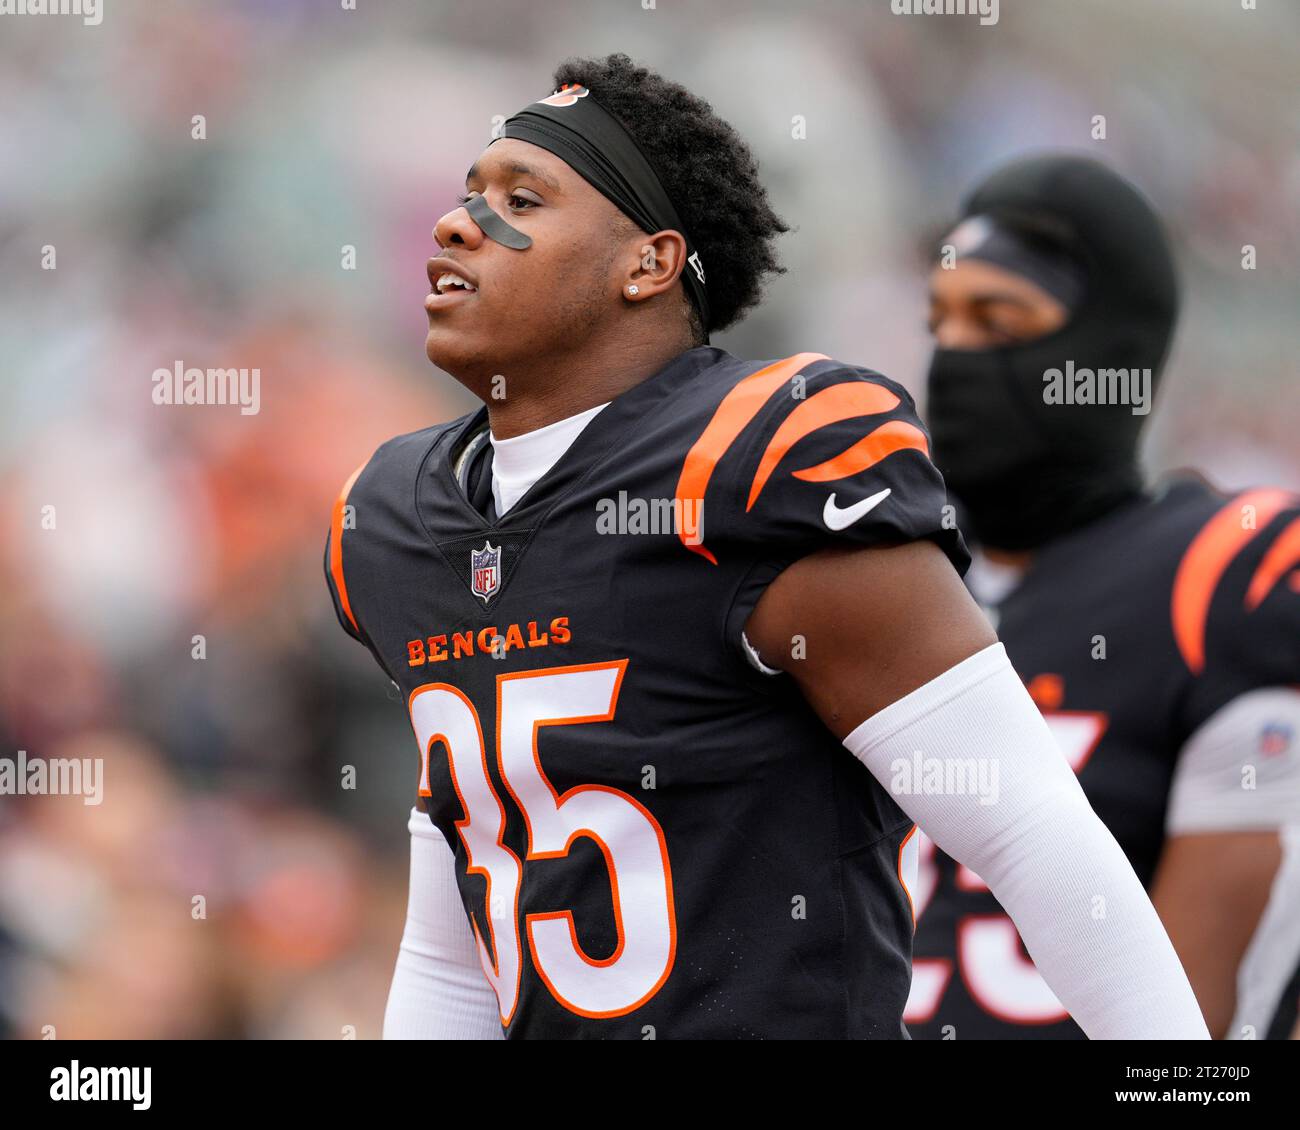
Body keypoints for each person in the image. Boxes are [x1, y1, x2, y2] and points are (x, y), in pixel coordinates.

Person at [324, 57, 1207, 1039]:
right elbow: (451, 949)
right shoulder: (403, 515)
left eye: (521, 199)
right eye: (465, 196)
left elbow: (1029, 829)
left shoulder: (754, 462)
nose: (458, 226)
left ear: (649, 263)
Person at [911, 152, 1300, 1040]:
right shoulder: (897, 578)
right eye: (942, 321)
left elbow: (1202, 1031)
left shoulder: (1224, 577)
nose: (958, 354)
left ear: (1110, 349)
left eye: (999, 319)